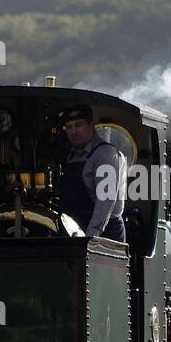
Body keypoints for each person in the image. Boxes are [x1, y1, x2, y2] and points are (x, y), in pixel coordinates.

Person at [57, 103, 126, 242]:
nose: (74, 131)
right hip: (74, 230)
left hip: (103, 234)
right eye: (69, 127)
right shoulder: (71, 156)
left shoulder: (105, 154)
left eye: (79, 125)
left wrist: (90, 238)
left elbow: (105, 201)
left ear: (91, 125)